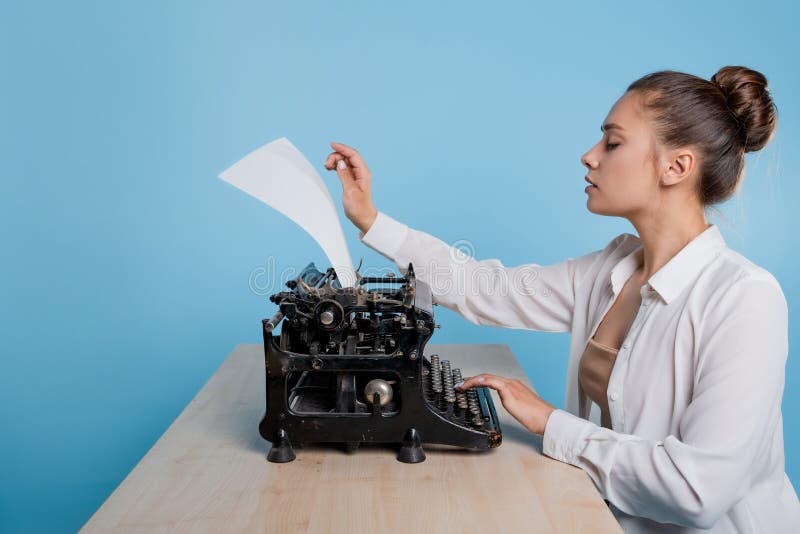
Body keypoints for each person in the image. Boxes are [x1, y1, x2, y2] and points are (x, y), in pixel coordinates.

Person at [323, 66, 799, 533]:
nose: (589, 156)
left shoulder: (745, 301)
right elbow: (486, 288)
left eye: (612, 143)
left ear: (676, 167)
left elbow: (697, 490)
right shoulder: (613, 266)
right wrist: (370, 218)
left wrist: (552, 423)